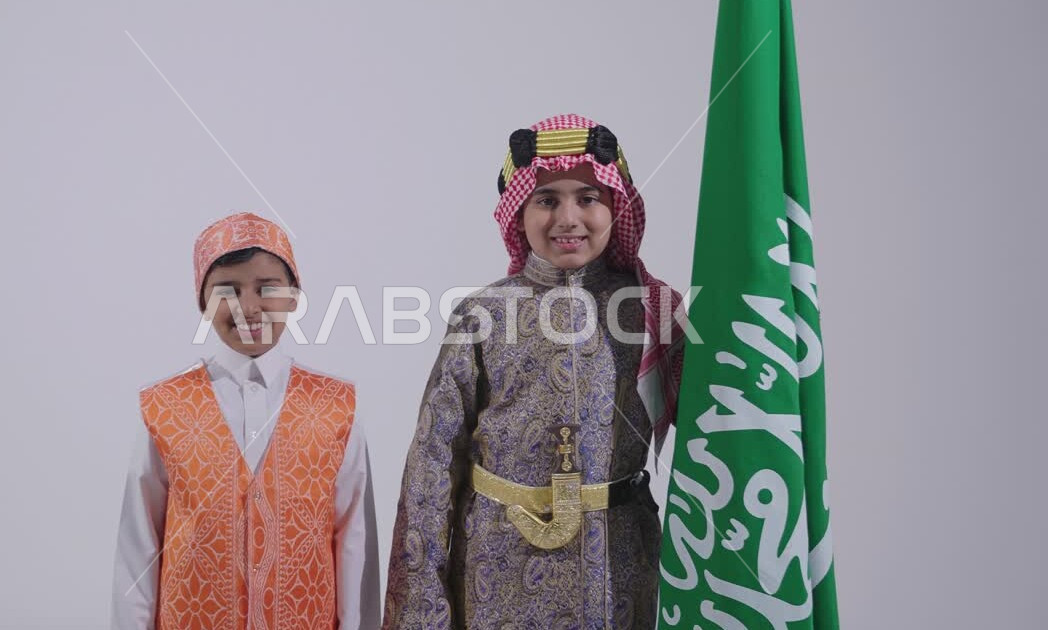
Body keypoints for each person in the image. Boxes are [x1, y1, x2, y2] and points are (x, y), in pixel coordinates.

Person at [383, 114, 685, 629]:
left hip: (621, 572)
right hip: (497, 576)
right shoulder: (483, 316)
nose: (568, 217)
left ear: (617, 206)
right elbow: (432, 471)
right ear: (518, 212)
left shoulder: (652, 311)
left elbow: (713, 432)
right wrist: (421, 608)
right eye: (547, 200)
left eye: (587, 198)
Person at [111, 212, 380, 630]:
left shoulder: (335, 409)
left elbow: (355, 548)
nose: (248, 307)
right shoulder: (165, 408)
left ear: (294, 296)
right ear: (203, 302)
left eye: (266, 287)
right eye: (227, 290)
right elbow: (138, 550)